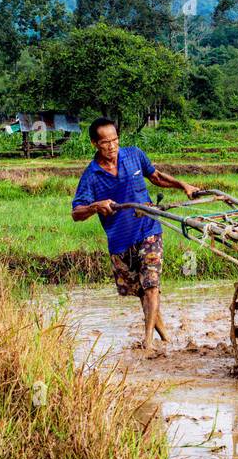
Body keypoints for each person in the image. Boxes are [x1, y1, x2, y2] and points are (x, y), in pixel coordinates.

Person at [71, 117, 199, 350]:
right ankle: (166, 340)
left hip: (148, 228)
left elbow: (156, 177)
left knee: (151, 285)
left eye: (115, 140)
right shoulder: (91, 175)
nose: (112, 146)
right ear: (94, 144)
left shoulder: (134, 155)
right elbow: (76, 212)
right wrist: (94, 206)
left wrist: (184, 185)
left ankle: (148, 342)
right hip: (120, 241)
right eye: (106, 142)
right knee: (142, 291)